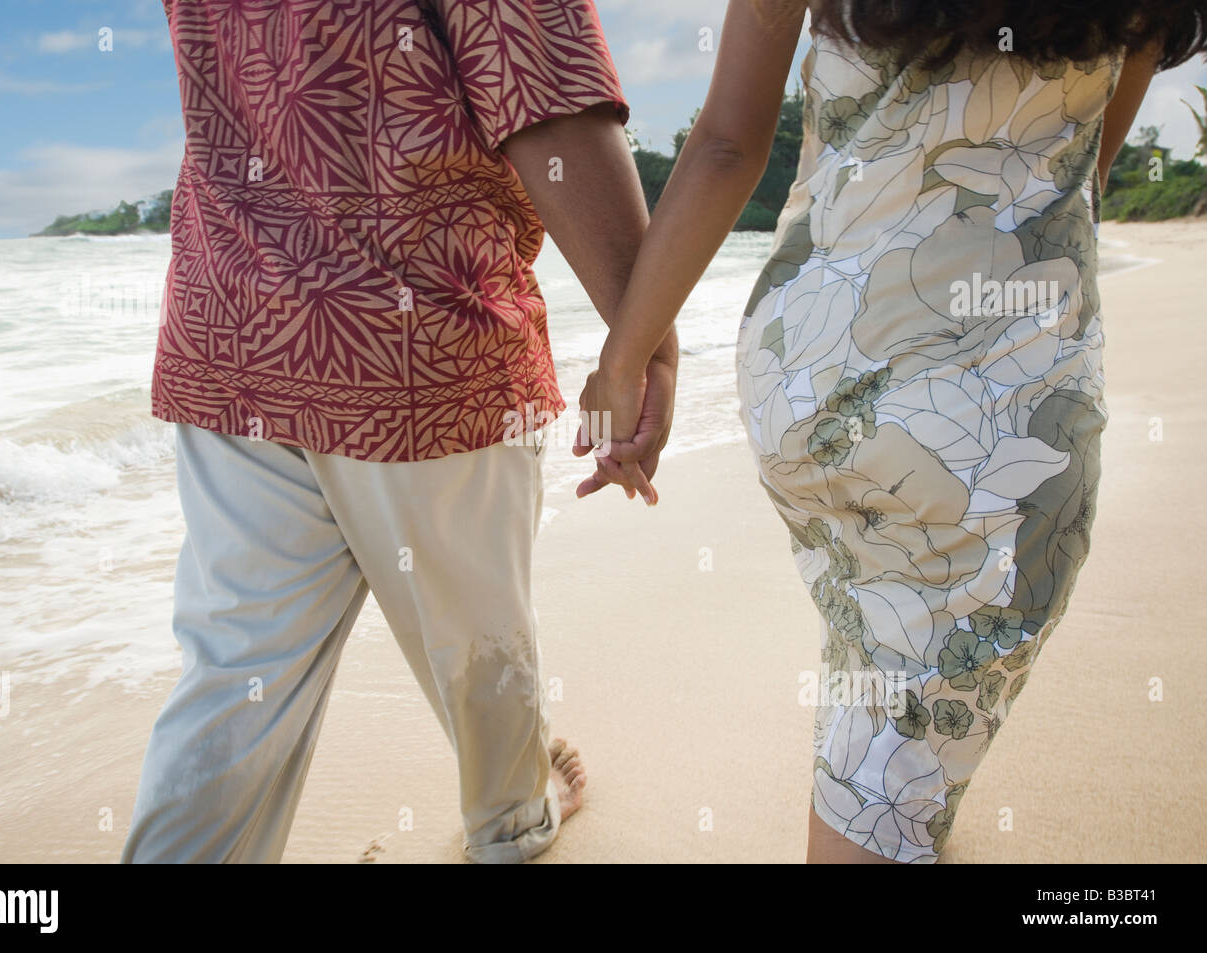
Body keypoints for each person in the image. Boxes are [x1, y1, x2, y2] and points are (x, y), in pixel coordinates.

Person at [580, 0, 1206, 862]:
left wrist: (625, 364)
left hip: (808, 375)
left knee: (879, 682)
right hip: (993, 410)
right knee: (892, 787)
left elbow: (727, 147)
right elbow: (1076, 186)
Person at [122, 0, 675, 864]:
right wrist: (647, 345)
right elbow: (542, 102)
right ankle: (513, 819)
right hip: (417, 339)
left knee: (235, 672)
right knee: (475, 639)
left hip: (231, 328)